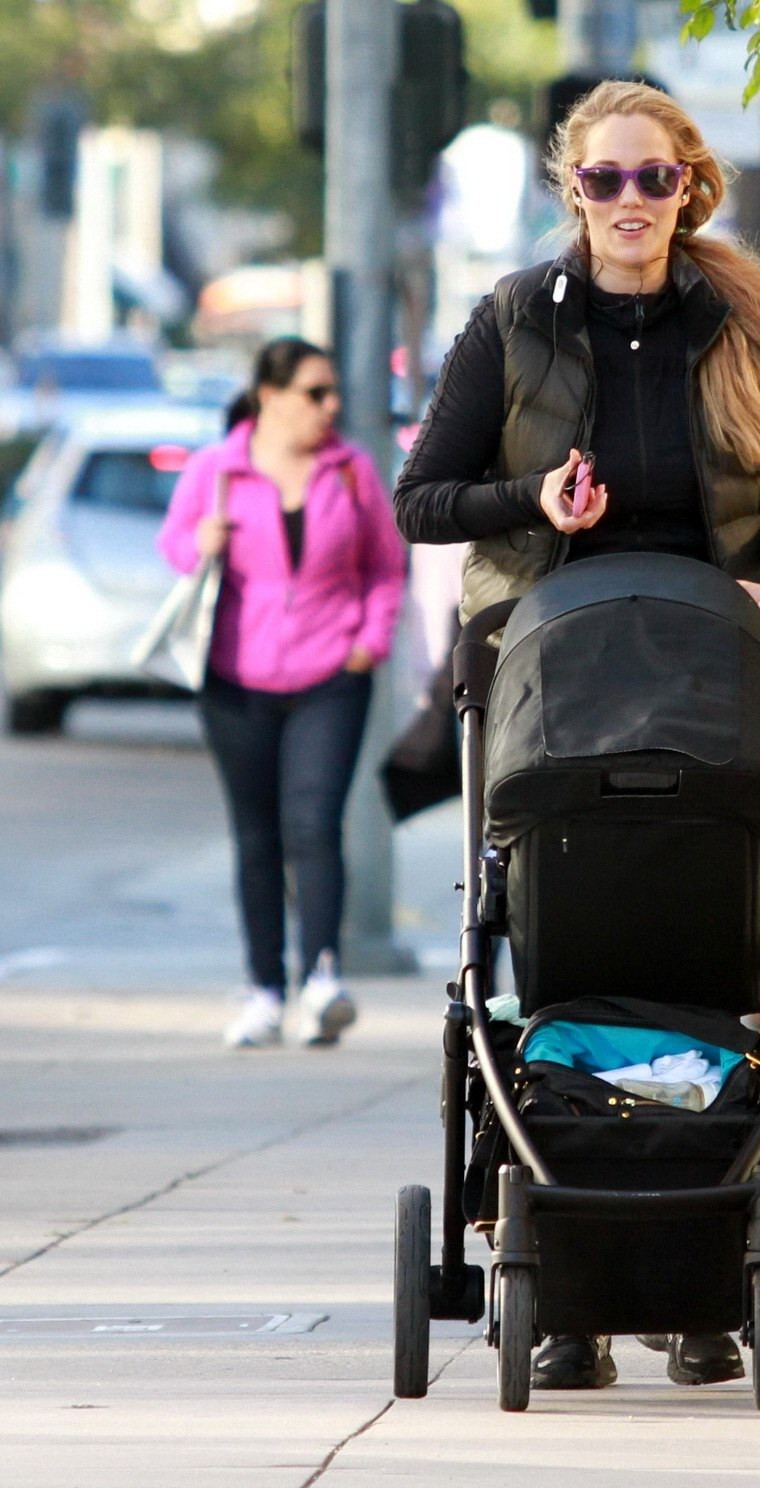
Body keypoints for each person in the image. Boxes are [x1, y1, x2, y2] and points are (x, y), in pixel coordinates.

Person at [393, 82, 760, 1394]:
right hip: (552, 666)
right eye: (606, 181)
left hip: (710, 663)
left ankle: (706, 1277)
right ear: (570, 190)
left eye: (655, 179)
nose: (633, 203)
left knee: (715, 938)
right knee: (557, 940)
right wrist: (533, 496)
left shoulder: (745, 321)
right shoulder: (512, 322)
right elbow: (424, 494)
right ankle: (572, 1296)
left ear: (690, 184)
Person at [157, 338, 407, 1049]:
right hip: (235, 677)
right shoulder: (217, 471)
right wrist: (199, 543)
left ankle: (322, 977)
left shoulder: (352, 471)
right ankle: (265, 989)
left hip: (331, 674)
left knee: (313, 823)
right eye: (315, 393)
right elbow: (173, 549)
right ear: (269, 396)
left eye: (333, 394)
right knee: (257, 836)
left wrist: (370, 642)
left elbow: (387, 569)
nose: (330, 407)